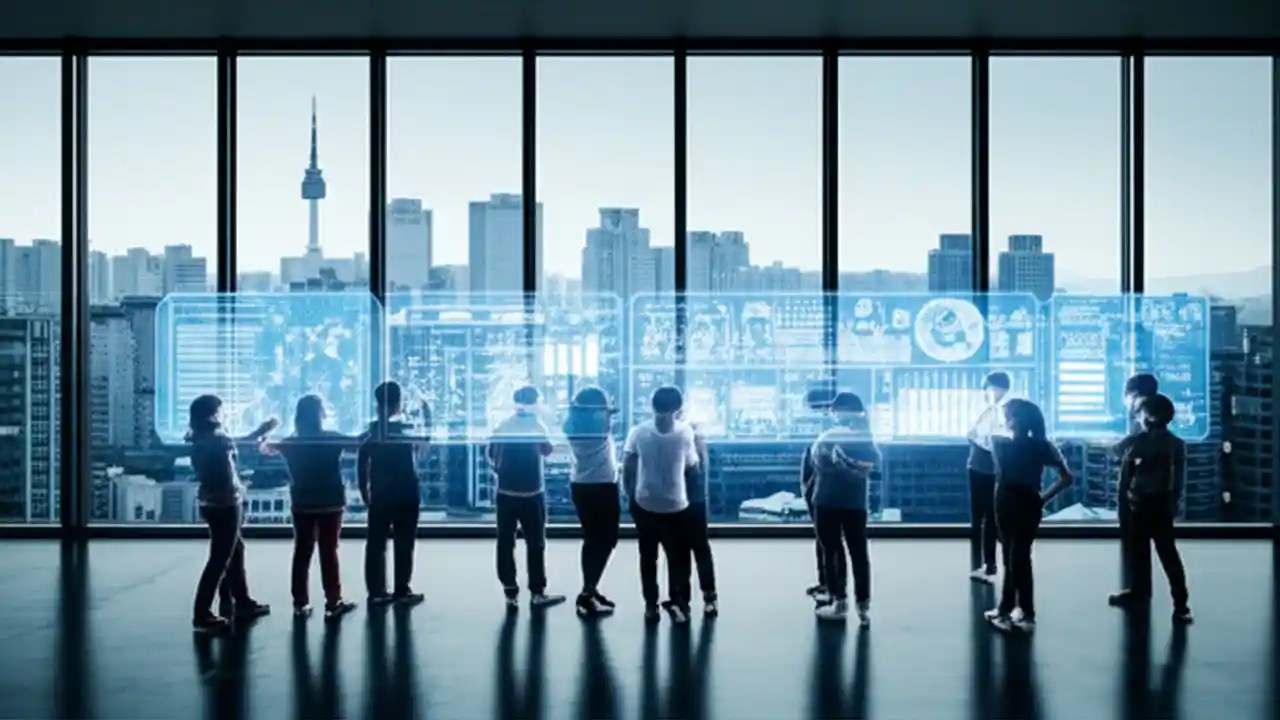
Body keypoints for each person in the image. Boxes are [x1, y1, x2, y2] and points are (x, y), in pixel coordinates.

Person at [260, 395, 359, 621]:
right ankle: (333, 601)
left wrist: (264, 431)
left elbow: (265, 448)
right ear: (320, 414)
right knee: (329, 551)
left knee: (302, 553)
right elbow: (359, 442)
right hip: (330, 501)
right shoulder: (331, 439)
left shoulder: (290, 443)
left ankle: (300, 603)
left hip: (302, 501)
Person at [188, 394, 277, 633]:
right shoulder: (218, 439)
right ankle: (202, 612)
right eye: (221, 410)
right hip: (226, 504)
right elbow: (235, 455)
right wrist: (261, 432)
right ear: (213, 414)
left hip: (211, 502)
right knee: (221, 558)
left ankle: (242, 601)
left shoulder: (200, 438)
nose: (224, 414)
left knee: (234, 551)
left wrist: (258, 432)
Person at [985, 399, 1074, 633]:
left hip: (1007, 499)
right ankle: (1012, 607)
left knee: (1016, 557)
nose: (1005, 421)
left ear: (1018, 420)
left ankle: (1022, 609)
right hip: (1020, 500)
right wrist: (1043, 498)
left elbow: (999, 469)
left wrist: (1042, 499)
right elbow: (1066, 478)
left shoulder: (1001, 444)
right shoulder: (1042, 446)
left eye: (1009, 416)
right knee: (1014, 556)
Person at [1108, 394, 1193, 623]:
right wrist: (1175, 501)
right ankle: (1180, 602)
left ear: (1150, 416)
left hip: (1142, 504)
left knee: (1142, 554)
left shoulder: (1140, 441)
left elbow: (1115, 452)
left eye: (1142, 413)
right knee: (1166, 554)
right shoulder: (1175, 443)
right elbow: (1179, 480)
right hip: (1159, 506)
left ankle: (1140, 593)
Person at [623, 386, 699, 624]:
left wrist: (630, 497)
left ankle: (650, 606)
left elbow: (628, 468)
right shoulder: (685, 433)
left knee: (648, 557)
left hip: (645, 503)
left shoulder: (638, 433)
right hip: (676, 504)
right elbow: (692, 467)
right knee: (678, 558)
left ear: (652, 405)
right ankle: (679, 604)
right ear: (677, 408)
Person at [489, 386, 565, 609]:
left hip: (506, 493)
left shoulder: (503, 425)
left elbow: (492, 453)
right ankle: (537, 591)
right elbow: (547, 450)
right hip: (532, 493)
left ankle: (510, 591)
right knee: (536, 543)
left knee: (505, 542)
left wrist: (501, 471)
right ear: (534, 403)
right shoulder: (537, 425)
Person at [809, 393, 881, 625]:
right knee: (859, 552)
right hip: (855, 502)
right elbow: (873, 464)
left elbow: (816, 461)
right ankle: (863, 605)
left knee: (832, 550)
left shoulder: (830, 436)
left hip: (828, 499)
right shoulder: (866, 437)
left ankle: (839, 601)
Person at [358, 381, 426, 607]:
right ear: (398, 403)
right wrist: (426, 412)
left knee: (376, 543)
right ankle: (401, 590)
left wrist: (363, 489)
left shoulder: (372, 431)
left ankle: (376, 592)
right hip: (406, 492)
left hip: (381, 492)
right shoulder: (405, 430)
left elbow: (361, 461)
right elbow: (422, 447)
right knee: (404, 542)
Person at [565, 386, 621, 617]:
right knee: (607, 540)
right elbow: (608, 419)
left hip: (581, 485)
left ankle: (590, 588)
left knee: (592, 539)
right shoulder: (598, 426)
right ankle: (587, 592)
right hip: (602, 486)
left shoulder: (573, 424)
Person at [1112, 373, 1159, 595]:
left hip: (1136, 491)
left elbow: (1127, 448)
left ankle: (1137, 590)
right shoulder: (1153, 417)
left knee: (1136, 542)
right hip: (1144, 490)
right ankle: (1139, 588)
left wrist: (1119, 446)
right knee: (1141, 544)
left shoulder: (1144, 418)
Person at [966, 372, 1011, 584]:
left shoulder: (1005, 411)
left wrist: (979, 439)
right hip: (977, 467)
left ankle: (992, 563)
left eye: (994, 388)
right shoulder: (983, 409)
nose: (991, 392)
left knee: (992, 518)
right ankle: (985, 561)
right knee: (980, 516)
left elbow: (994, 440)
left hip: (993, 471)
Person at [800, 388, 835, 600]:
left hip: (817, 485)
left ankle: (829, 585)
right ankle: (826, 583)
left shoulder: (822, 432)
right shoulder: (825, 429)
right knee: (824, 538)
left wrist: (808, 488)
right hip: (815, 484)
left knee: (825, 539)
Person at [682, 422, 718, 617]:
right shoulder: (700, 454)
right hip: (696, 504)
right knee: (700, 549)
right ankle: (708, 596)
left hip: (685, 504)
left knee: (684, 552)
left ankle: (684, 599)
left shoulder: (692, 455)